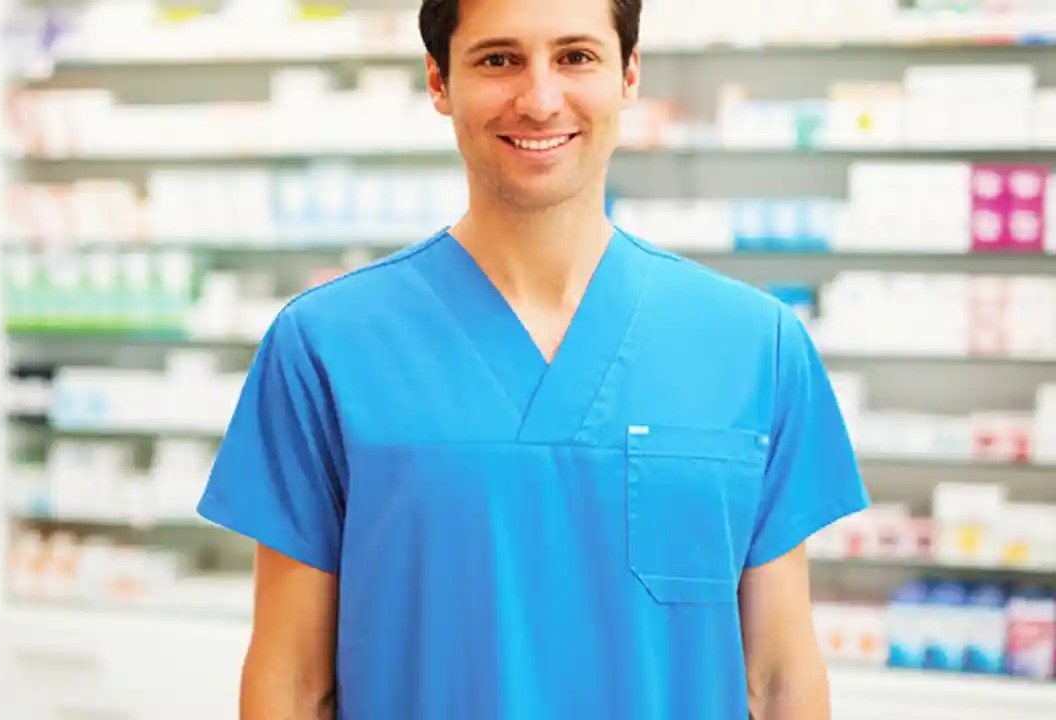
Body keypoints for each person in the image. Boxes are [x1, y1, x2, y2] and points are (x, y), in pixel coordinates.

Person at [197, 0, 870, 716]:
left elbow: (779, 678)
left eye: (576, 57)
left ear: (628, 75)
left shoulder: (754, 345)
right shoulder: (325, 346)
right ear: (439, 81)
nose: (540, 100)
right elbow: (292, 682)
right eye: (499, 59)